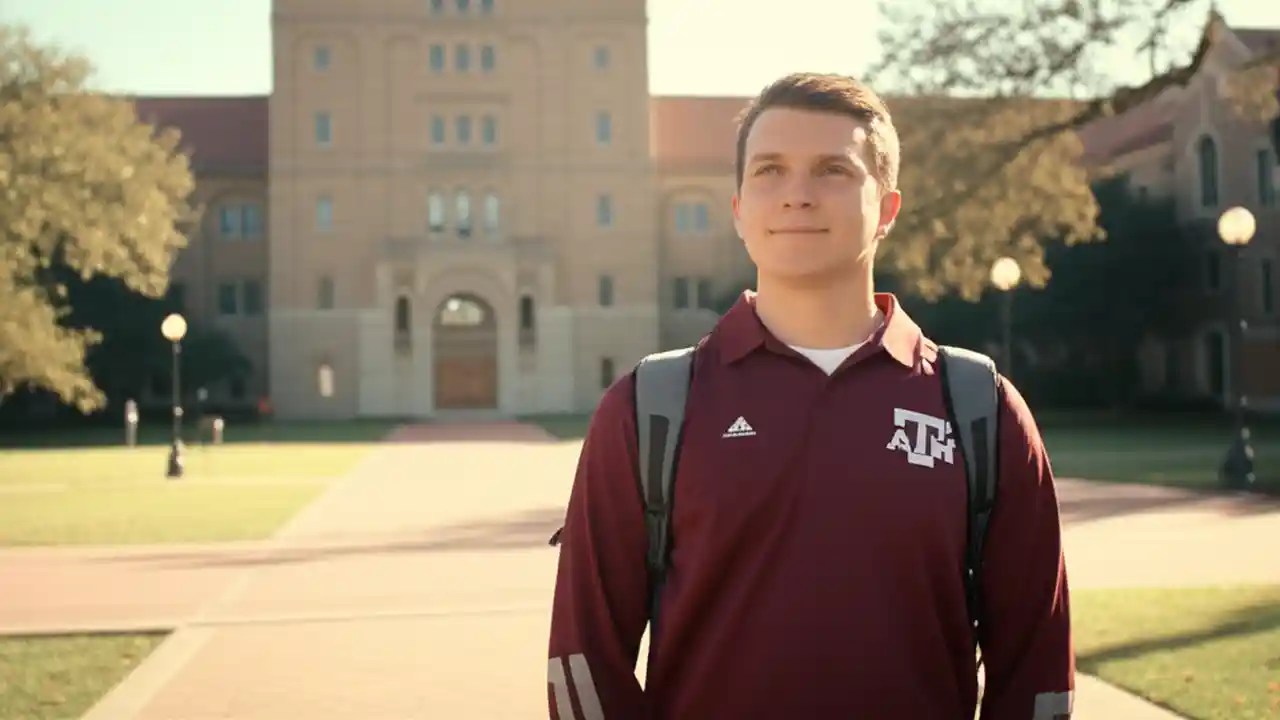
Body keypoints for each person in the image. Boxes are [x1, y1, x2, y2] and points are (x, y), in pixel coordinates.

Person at [547, 72, 1074, 720]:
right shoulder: (649, 407)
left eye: (832, 171)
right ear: (739, 209)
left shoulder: (980, 409)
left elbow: (1038, 668)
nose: (797, 195)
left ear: (887, 209)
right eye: (769, 170)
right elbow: (583, 663)